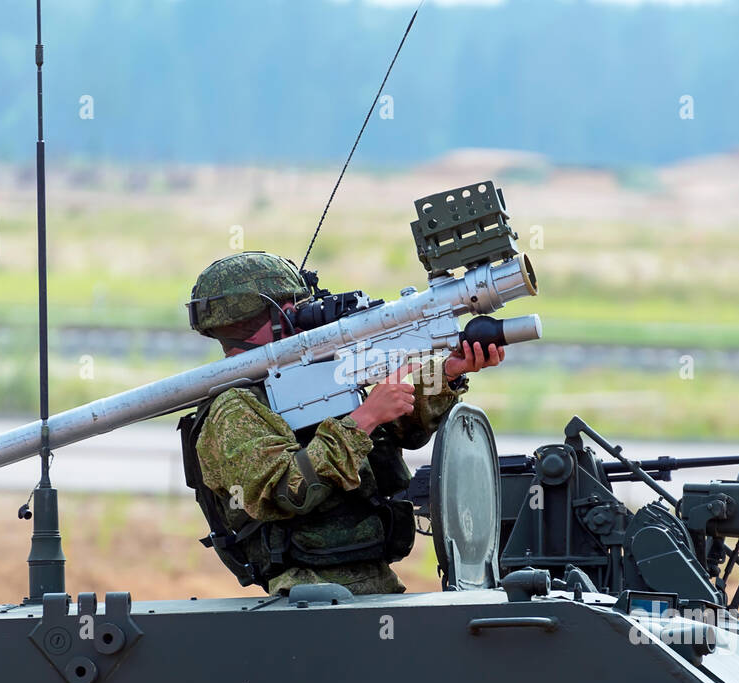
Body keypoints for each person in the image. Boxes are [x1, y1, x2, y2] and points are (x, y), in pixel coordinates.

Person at [181, 251, 504, 595]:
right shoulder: (233, 408)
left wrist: (447, 374)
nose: (303, 317)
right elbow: (288, 490)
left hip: (372, 581)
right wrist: (365, 417)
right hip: (308, 594)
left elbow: (393, 433)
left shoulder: (298, 378)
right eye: (291, 308)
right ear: (257, 319)